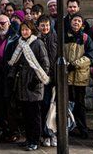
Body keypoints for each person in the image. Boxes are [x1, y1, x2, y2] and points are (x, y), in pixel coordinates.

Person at [8, 20, 49, 152]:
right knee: (25, 115)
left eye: (26, 29)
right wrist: (11, 75)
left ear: (31, 30)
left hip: (34, 84)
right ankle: (29, 139)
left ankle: (35, 140)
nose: (24, 32)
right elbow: (15, 63)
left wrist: (36, 80)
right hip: (22, 84)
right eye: (22, 30)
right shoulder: (20, 44)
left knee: (34, 115)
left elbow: (45, 64)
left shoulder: (38, 43)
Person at [65, 14, 93, 138]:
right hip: (66, 76)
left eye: (78, 21)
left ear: (82, 24)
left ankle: (82, 128)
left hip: (80, 76)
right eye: (74, 20)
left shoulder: (86, 38)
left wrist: (75, 64)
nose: (76, 23)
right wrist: (66, 65)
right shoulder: (64, 36)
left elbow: (90, 56)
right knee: (68, 103)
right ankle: (69, 127)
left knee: (80, 103)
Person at [0, 15, 18, 143]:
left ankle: (13, 132)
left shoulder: (15, 38)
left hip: (9, 77)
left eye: (3, 23)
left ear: (8, 23)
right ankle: (5, 130)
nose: (0, 26)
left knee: (11, 107)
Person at [36, 17, 59, 147]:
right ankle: (45, 134)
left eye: (47, 25)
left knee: (53, 107)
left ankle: (53, 133)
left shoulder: (55, 38)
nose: (45, 28)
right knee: (44, 106)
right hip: (41, 77)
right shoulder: (36, 39)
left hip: (53, 78)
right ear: (38, 26)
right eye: (42, 25)